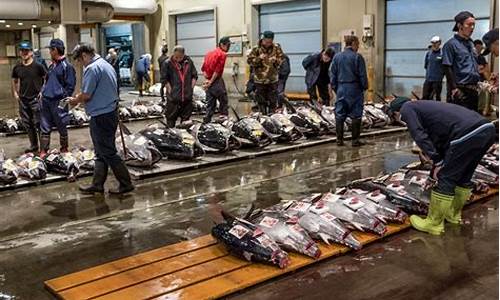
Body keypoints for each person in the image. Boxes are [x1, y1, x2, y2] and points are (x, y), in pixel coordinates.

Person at [388, 98, 495, 236]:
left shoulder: (407, 108)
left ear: (397, 111)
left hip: (467, 133)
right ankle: (453, 215)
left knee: (446, 177)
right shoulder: (427, 108)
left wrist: (438, 162)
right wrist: (437, 162)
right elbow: (442, 141)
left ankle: (433, 223)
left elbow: (419, 135)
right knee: (464, 175)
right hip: (487, 129)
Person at [69, 43, 134, 195]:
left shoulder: (92, 68)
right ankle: (97, 184)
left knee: (108, 151)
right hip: (109, 112)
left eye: (79, 60)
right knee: (100, 151)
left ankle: (126, 183)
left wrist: (74, 100)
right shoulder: (105, 64)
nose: (80, 63)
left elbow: (86, 95)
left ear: (84, 55)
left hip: (101, 116)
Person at [40, 38, 76, 157]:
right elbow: (47, 82)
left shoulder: (67, 66)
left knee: (62, 124)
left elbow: (70, 86)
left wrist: (64, 100)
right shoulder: (52, 66)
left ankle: (64, 149)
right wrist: (42, 92)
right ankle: (44, 150)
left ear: (55, 50)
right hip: (46, 101)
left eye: (51, 49)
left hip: (58, 101)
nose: (49, 52)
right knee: (44, 125)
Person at [330, 35, 368, 147]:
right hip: (354, 89)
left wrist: (336, 88)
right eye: (358, 44)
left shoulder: (337, 57)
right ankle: (355, 141)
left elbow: (332, 75)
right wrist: (364, 87)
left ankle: (339, 140)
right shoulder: (357, 57)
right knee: (356, 115)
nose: (358, 47)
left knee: (340, 114)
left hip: (341, 88)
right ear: (353, 44)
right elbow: (362, 76)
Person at [11, 41, 46, 153]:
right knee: (28, 123)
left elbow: (46, 78)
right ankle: (34, 145)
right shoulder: (17, 67)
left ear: (31, 52)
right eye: (22, 50)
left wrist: (42, 91)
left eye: (27, 51)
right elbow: (15, 80)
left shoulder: (38, 66)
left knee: (38, 123)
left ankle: (43, 148)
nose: (24, 53)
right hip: (23, 100)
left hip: (36, 99)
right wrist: (16, 93)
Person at [442, 11, 481, 111]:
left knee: (473, 121)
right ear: (460, 25)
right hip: (460, 90)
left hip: (473, 90)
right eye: (469, 24)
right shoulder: (451, 45)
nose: (472, 28)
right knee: (459, 122)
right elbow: (447, 67)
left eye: (473, 25)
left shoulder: (471, 44)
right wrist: (454, 89)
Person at [247, 31, 284, 114]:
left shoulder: (276, 48)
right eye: (266, 42)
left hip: (272, 79)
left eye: (270, 42)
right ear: (263, 39)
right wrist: (258, 58)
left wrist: (276, 60)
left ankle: (271, 118)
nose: (268, 44)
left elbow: (282, 59)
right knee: (261, 102)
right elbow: (249, 61)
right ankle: (263, 117)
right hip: (260, 80)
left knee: (273, 102)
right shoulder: (256, 49)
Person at [161, 45, 198, 127]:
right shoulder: (167, 63)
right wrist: (170, 90)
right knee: (170, 120)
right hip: (173, 99)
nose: (177, 59)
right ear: (173, 54)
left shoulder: (189, 62)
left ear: (183, 55)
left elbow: (194, 76)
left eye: (180, 57)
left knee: (186, 122)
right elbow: (164, 79)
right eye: (176, 57)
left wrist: (191, 88)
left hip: (187, 98)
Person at [201, 37, 231, 123]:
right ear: (222, 44)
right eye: (228, 45)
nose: (228, 48)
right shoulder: (222, 54)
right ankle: (224, 121)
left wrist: (207, 80)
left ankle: (206, 121)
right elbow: (217, 70)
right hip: (216, 81)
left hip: (209, 80)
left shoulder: (208, 53)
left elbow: (203, 69)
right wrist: (211, 82)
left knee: (210, 103)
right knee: (223, 101)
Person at [422, 36, 444, 100]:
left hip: (437, 80)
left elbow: (445, 67)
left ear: (439, 43)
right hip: (428, 79)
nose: (434, 44)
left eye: (436, 42)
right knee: (425, 96)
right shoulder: (428, 54)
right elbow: (426, 65)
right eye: (432, 42)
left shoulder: (442, 54)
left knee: (436, 97)